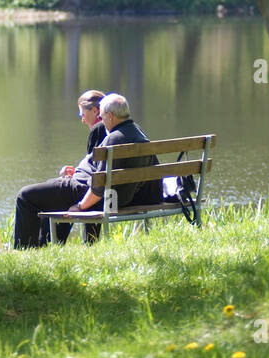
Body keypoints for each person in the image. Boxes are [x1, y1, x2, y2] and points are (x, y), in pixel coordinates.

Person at [12, 92, 159, 249]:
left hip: (83, 190)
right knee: (50, 187)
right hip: (111, 195)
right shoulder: (139, 134)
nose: (101, 122)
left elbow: (98, 188)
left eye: (102, 117)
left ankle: (25, 252)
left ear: (110, 116)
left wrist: (80, 206)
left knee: (25, 196)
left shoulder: (113, 139)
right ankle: (46, 247)